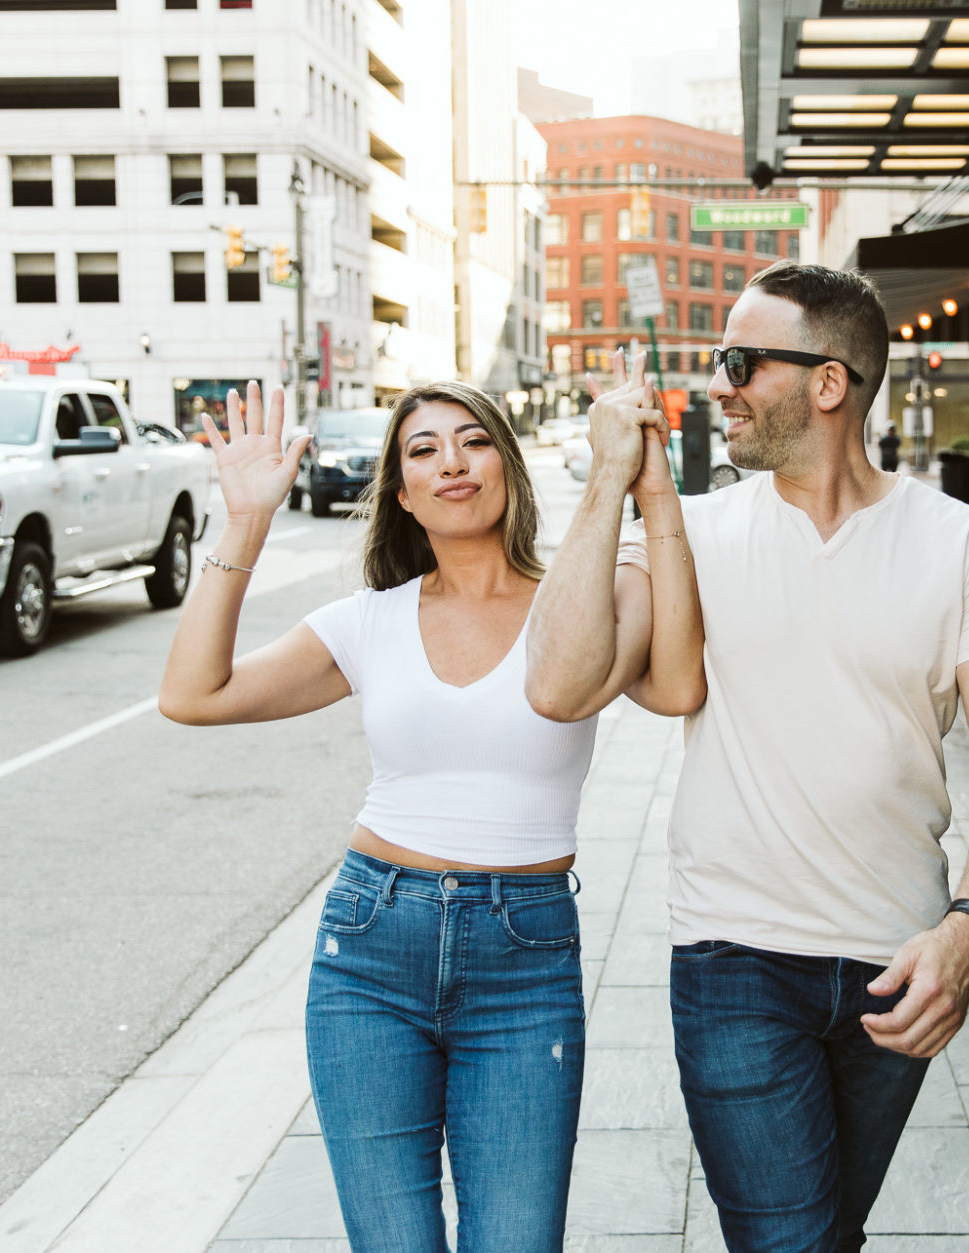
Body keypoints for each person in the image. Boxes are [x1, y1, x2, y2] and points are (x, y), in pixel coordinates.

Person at [527, 262, 969, 1253]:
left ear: (827, 384)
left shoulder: (960, 544)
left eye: (739, 361)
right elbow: (560, 685)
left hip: (898, 963)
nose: (717, 385)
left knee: (825, 1236)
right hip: (735, 958)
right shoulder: (695, 531)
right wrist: (611, 481)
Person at [157, 373, 702, 1253]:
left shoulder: (579, 607)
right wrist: (246, 522)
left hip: (523, 962)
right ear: (402, 496)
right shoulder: (369, 622)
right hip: (370, 949)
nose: (452, 461)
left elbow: (678, 684)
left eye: (474, 440)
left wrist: (643, 485)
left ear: (509, 467)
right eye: (423, 450)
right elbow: (192, 692)